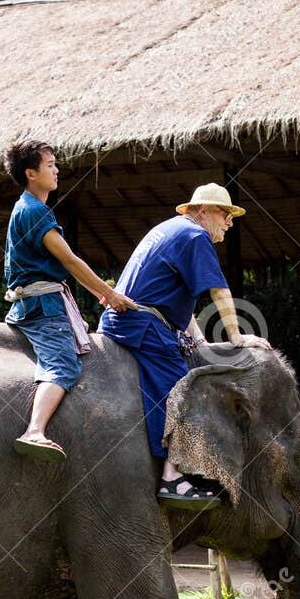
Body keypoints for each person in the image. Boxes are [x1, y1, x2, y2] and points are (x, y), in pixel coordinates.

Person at [101, 182, 272, 508]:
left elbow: (177, 301)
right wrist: (236, 337)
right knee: (186, 391)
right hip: (142, 326)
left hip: (136, 319)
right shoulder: (195, 236)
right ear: (204, 211)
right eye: (225, 214)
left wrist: (200, 340)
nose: (229, 223)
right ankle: (174, 478)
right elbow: (218, 291)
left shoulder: (171, 229)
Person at [3, 140, 136, 462]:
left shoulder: (26, 207)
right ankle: (34, 430)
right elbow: (71, 262)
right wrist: (111, 294)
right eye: (50, 165)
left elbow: (65, 270)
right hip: (43, 308)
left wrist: (99, 293)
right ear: (31, 173)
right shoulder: (35, 211)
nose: (56, 169)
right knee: (63, 365)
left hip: (35, 300)